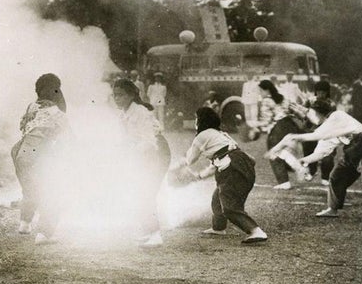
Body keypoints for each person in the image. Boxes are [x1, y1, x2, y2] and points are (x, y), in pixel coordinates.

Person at [271, 99, 362, 221]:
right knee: (336, 176)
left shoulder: (337, 115)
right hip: (351, 150)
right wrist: (304, 160)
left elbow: (317, 135)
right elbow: (321, 152)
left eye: (310, 112)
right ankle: (332, 208)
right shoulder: (325, 129)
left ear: (318, 112)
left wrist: (292, 137)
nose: (308, 117)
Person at [170, 107, 267, 244]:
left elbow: (190, 159)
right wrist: (198, 176)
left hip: (233, 168)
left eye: (197, 118)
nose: (196, 122)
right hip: (242, 165)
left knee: (229, 207)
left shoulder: (202, 136)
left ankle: (256, 231)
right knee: (217, 198)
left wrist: (176, 166)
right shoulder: (220, 134)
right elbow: (219, 161)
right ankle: (218, 228)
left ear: (202, 121)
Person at [11, 73, 70, 245]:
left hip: (20, 151)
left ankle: (25, 223)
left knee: (30, 188)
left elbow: (23, 126)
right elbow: (67, 133)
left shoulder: (31, 106)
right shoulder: (56, 112)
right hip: (39, 153)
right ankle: (45, 234)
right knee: (52, 191)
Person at [112, 78, 170, 247]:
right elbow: (127, 140)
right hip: (143, 153)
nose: (117, 99)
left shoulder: (140, 112)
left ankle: (155, 234)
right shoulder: (124, 114)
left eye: (120, 95)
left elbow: (149, 142)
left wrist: (129, 154)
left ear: (131, 95)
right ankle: (148, 230)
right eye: (114, 95)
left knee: (145, 192)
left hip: (157, 151)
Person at [255, 79, 309, 189]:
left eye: (260, 90)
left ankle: (285, 181)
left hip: (278, 128)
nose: (260, 93)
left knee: (274, 154)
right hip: (291, 125)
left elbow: (266, 120)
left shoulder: (266, 101)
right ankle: (301, 168)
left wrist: (255, 125)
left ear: (266, 90)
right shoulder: (283, 98)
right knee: (285, 153)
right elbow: (299, 111)